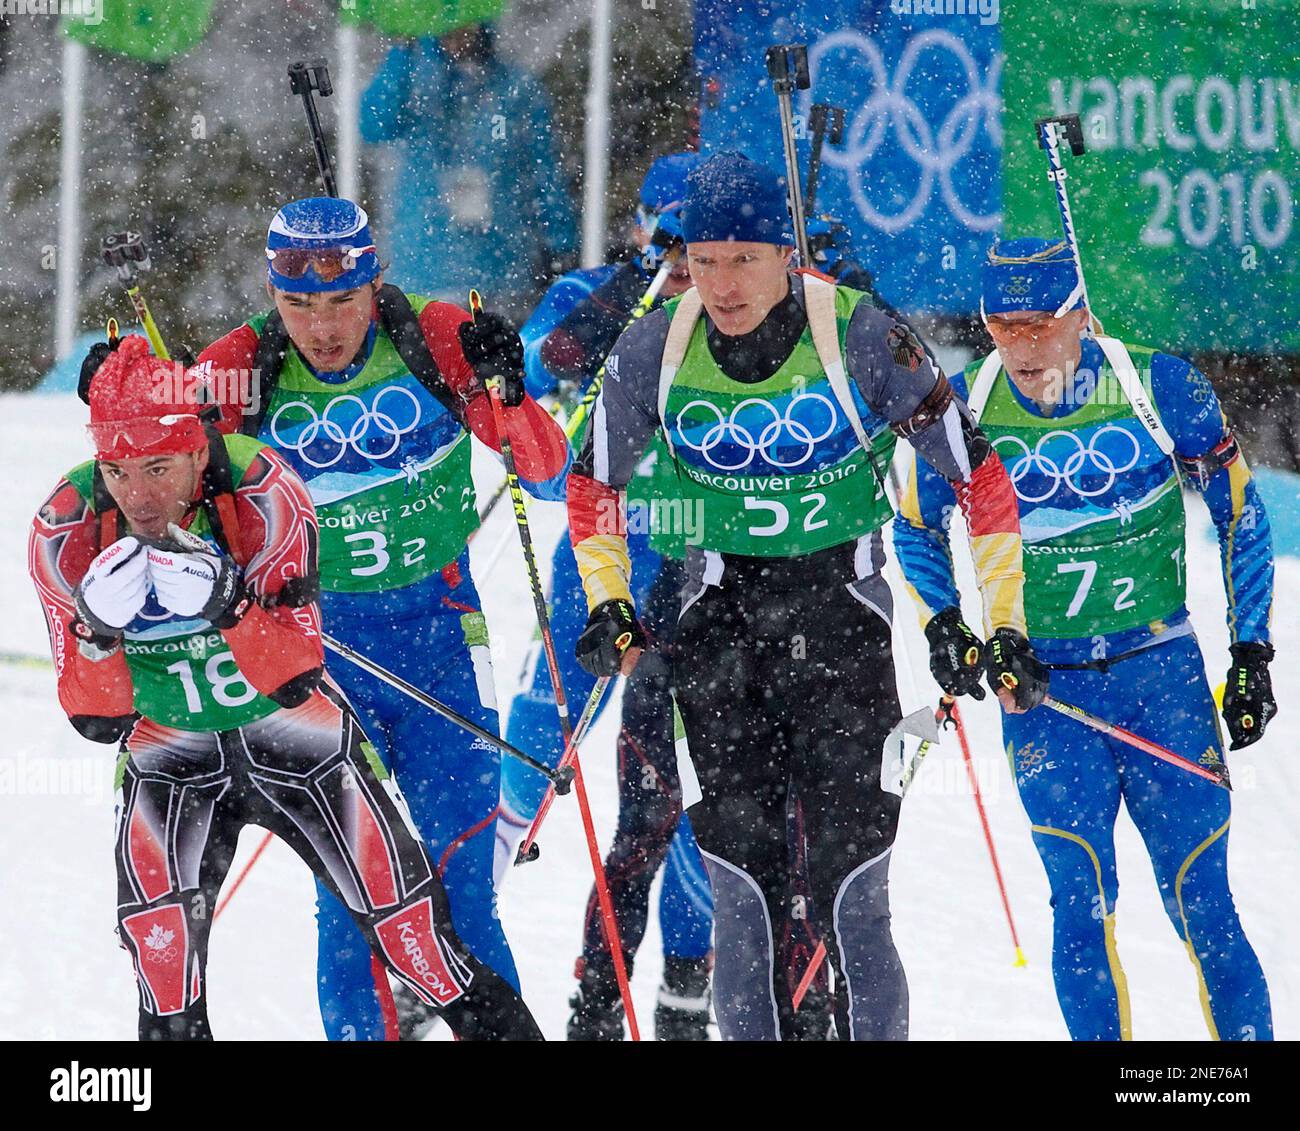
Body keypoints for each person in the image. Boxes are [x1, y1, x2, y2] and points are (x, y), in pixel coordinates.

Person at [564, 151, 1044, 1040]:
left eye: (744, 257)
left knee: (854, 897)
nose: (722, 281)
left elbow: (980, 478)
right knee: (743, 901)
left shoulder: (859, 332)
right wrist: (610, 602)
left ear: (788, 253)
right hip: (718, 633)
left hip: (840, 629)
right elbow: (592, 487)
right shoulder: (655, 344)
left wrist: (1002, 624)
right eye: (703, 260)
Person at [29, 335, 542, 1041]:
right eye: (116, 470)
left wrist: (230, 607)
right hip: (168, 751)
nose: (139, 498)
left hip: (294, 739)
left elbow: (296, 671)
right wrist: (94, 632)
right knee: (163, 964)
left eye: (157, 466)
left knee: (420, 944)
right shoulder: (66, 525)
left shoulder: (265, 488)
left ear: (198, 450)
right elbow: (95, 718)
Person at [194, 196, 571, 1040]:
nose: (321, 328)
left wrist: (506, 386)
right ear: (270, 294)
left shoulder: (432, 337)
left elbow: (548, 475)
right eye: (299, 305)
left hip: (441, 642)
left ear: (376, 281)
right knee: (352, 902)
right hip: (323, 660)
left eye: (341, 300)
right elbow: (142, 467)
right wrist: (119, 384)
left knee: (464, 894)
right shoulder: (243, 362)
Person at [895, 237, 1277, 1041]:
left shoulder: (1158, 385)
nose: (1020, 345)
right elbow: (916, 528)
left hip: (1159, 672)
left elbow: (1241, 513)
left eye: (1039, 324)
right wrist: (950, 627)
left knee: (1202, 900)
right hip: (1043, 687)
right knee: (1080, 899)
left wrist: (1251, 653)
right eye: (1001, 325)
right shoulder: (963, 408)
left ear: (1081, 317)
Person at [496, 152, 716, 1041]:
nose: (676, 263)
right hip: (598, 563)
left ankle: (686, 984)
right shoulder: (591, 296)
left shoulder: (737, 311)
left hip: (705, 572)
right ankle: (450, 930)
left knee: (692, 791)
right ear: (638, 229)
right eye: (661, 236)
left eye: (695, 244)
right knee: (533, 741)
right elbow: (541, 458)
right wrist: (615, 327)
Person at [360, 19, 578, 320]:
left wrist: (560, 244)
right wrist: (402, 51)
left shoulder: (515, 88)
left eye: (464, 22)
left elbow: (544, 172)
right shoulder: (411, 80)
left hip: (501, 271)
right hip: (424, 269)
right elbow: (374, 126)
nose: (456, 32)